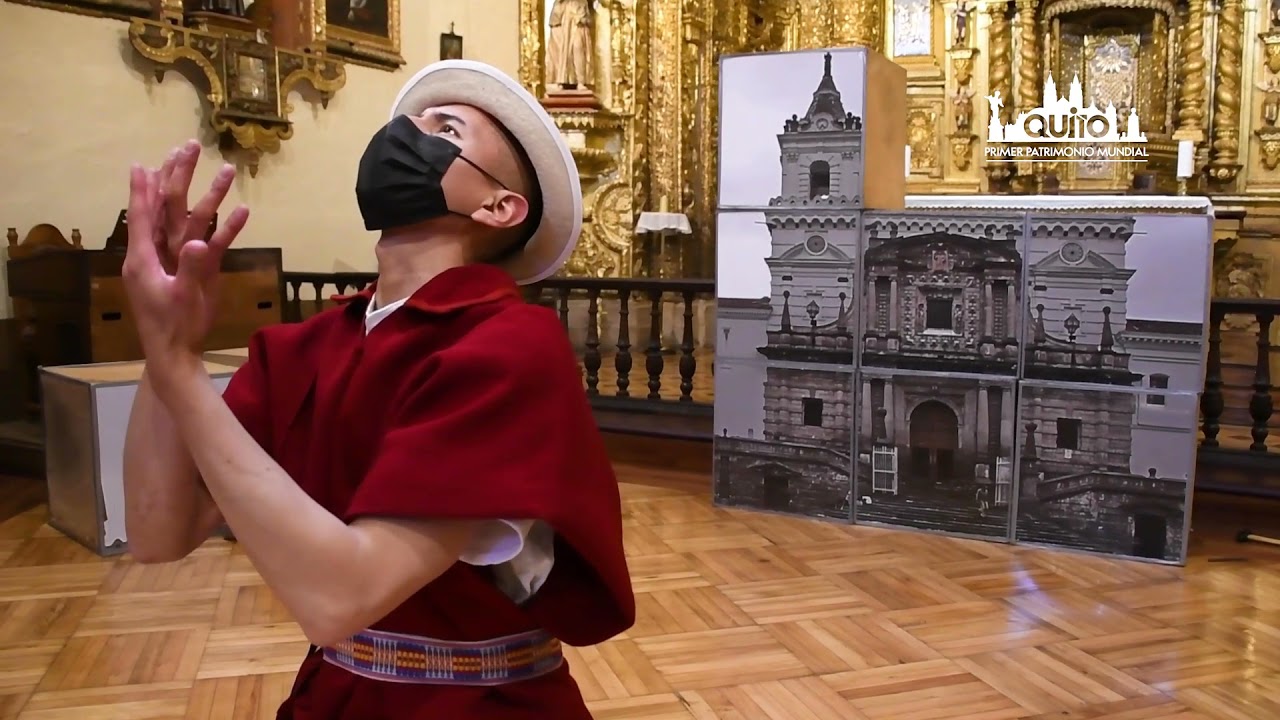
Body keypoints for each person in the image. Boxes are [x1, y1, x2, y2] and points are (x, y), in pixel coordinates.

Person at [119, 60, 635, 719]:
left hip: (472, 706)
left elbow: (340, 597)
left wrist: (178, 367)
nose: (406, 135)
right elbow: (158, 531)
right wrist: (164, 345)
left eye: (445, 128)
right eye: (406, 123)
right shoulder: (303, 348)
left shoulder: (510, 345)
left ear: (499, 205)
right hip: (330, 697)